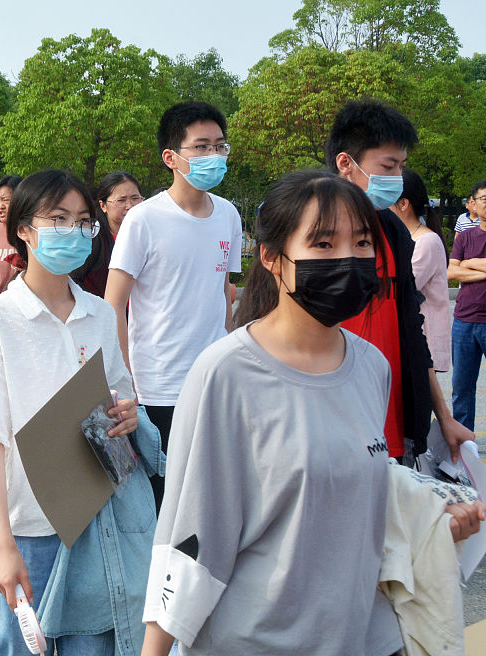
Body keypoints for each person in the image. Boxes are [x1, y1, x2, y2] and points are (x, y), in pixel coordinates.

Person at [142, 170, 486, 656]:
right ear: (271, 258)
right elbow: (193, 535)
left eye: (361, 242)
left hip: (363, 638)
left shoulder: (371, 367)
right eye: (323, 244)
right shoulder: (225, 374)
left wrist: (431, 526)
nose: (347, 258)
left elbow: (357, 494)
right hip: (256, 641)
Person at [0, 169, 156, 656]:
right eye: (58, 218)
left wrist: (127, 417)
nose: (73, 231)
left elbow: (119, 399)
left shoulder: (100, 314)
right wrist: (2, 547)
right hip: (23, 528)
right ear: (23, 228)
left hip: (93, 520)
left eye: (83, 221)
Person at [105, 102, 241, 508]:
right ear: (172, 157)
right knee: (165, 504)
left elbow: (224, 295)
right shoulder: (144, 219)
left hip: (213, 382)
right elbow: (114, 304)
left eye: (220, 146)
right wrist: (125, 382)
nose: (213, 156)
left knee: (211, 499)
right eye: (201, 147)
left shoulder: (229, 216)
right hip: (158, 388)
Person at [326, 99, 472, 459]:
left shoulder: (393, 231)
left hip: (391, 422)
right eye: (388, 166)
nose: (397, 179)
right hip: (331, 421)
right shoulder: (310, 234)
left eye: (401, 167)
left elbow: (412, 329)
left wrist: (442, 414)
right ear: (346, 163)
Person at [388, 169, 451, 375]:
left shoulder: (426, 241)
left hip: (423, 338)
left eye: (387, 200)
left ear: (403, 204)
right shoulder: (408, 237)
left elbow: (403, 285)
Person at [448, 178, 486, 431]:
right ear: (474, 203)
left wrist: (469, 263)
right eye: (485, 199)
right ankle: (464, 444)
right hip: (463, 320)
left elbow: (461, 267)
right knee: (462, 386)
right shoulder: (466, 236)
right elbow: (451, 273)